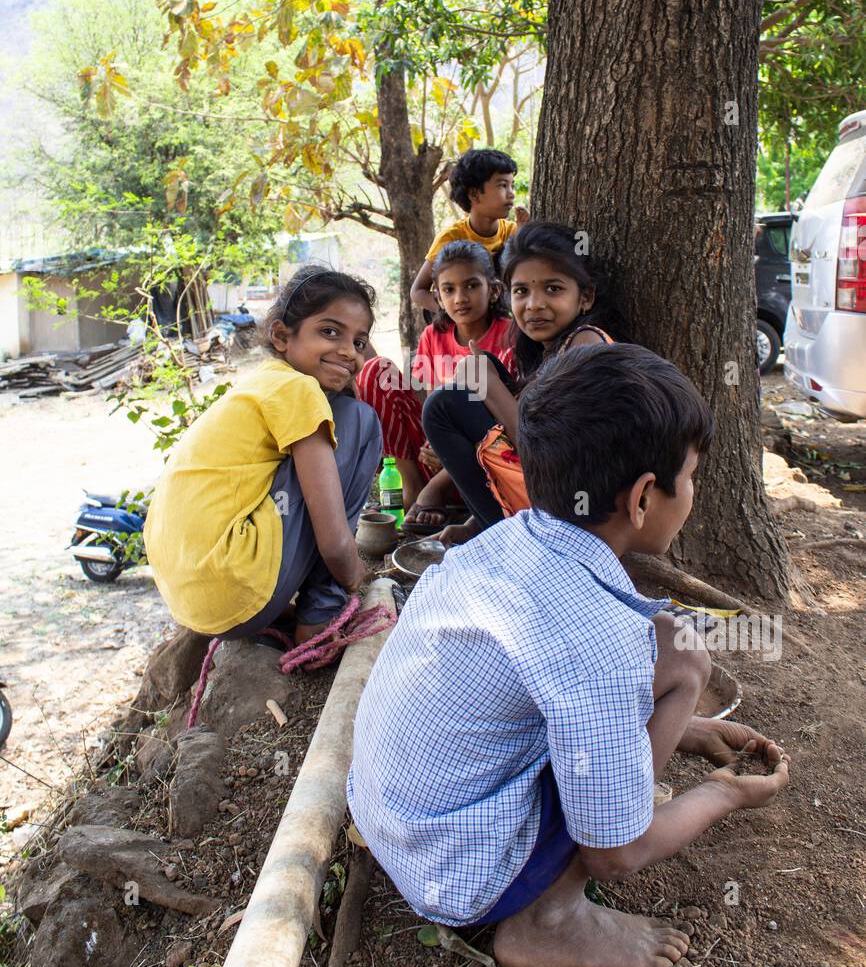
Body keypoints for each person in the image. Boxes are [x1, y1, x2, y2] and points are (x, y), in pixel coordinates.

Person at [348, 344, 790, 967]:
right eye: (689, 477)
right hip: (458, 875)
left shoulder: (504, 539)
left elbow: (532, 683)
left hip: (395, 816)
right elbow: (617, 852)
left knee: (671, 644)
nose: (691, 493)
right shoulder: (600, 642)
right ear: (642, 498)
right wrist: (723, 795)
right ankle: (550, 919)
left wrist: (681, 729)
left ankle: (599, 800)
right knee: (686, 661)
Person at [144, 267, 381, 650]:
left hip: (194, 601)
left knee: (344, 416)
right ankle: (320, 613)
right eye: (330, 332)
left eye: (359, 342)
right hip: (234, 588)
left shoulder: (260, 384)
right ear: (282, 336)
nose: (348, 352)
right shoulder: (297, 388)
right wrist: (358, 578)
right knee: (360, 420)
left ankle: (279, 603)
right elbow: (337, 546)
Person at [421, 220, 627, 538]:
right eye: (522, 291)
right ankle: (489, 529)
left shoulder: (587, 346)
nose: (534, 305)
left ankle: (504, 538)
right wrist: (470, 527)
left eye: (553, 289)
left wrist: (489, 388)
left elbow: (551, 459)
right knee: (463, 390)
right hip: (549, 503)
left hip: (577, 518)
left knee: (445, 406)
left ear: (585, 297)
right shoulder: (539, 352)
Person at [357, 241, 514, 525]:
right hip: (436, 457)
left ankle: (433, 493)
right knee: (375, 371)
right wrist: (434, 445)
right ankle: (412, 488)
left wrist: (448, 453)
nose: (460, 298)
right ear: (438, 298)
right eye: (449, 289)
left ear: (494, 290)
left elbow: (502, 425)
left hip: (488, 460)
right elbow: (429, 402)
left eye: (471, 286)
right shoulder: (434, 335)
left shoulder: (509, 336)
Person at [410, 148, 522, 315]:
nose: (511, 194)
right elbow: (418, 291)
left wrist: (523, 234)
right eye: (502, 185)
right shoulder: (451, 238)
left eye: (512, 185)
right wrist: (450, 315)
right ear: (474, 194)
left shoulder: (513, 231)